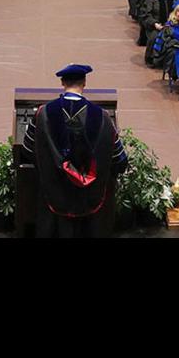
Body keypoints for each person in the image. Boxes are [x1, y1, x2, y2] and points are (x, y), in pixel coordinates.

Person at [23, 64, 128, 238]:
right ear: (84, 83)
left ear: (63, 82)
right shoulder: (102, 117)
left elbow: (28, 149)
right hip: (89, 197)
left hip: (53, 192)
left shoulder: (43, 113)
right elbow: (119, 158)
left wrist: (50, 168)